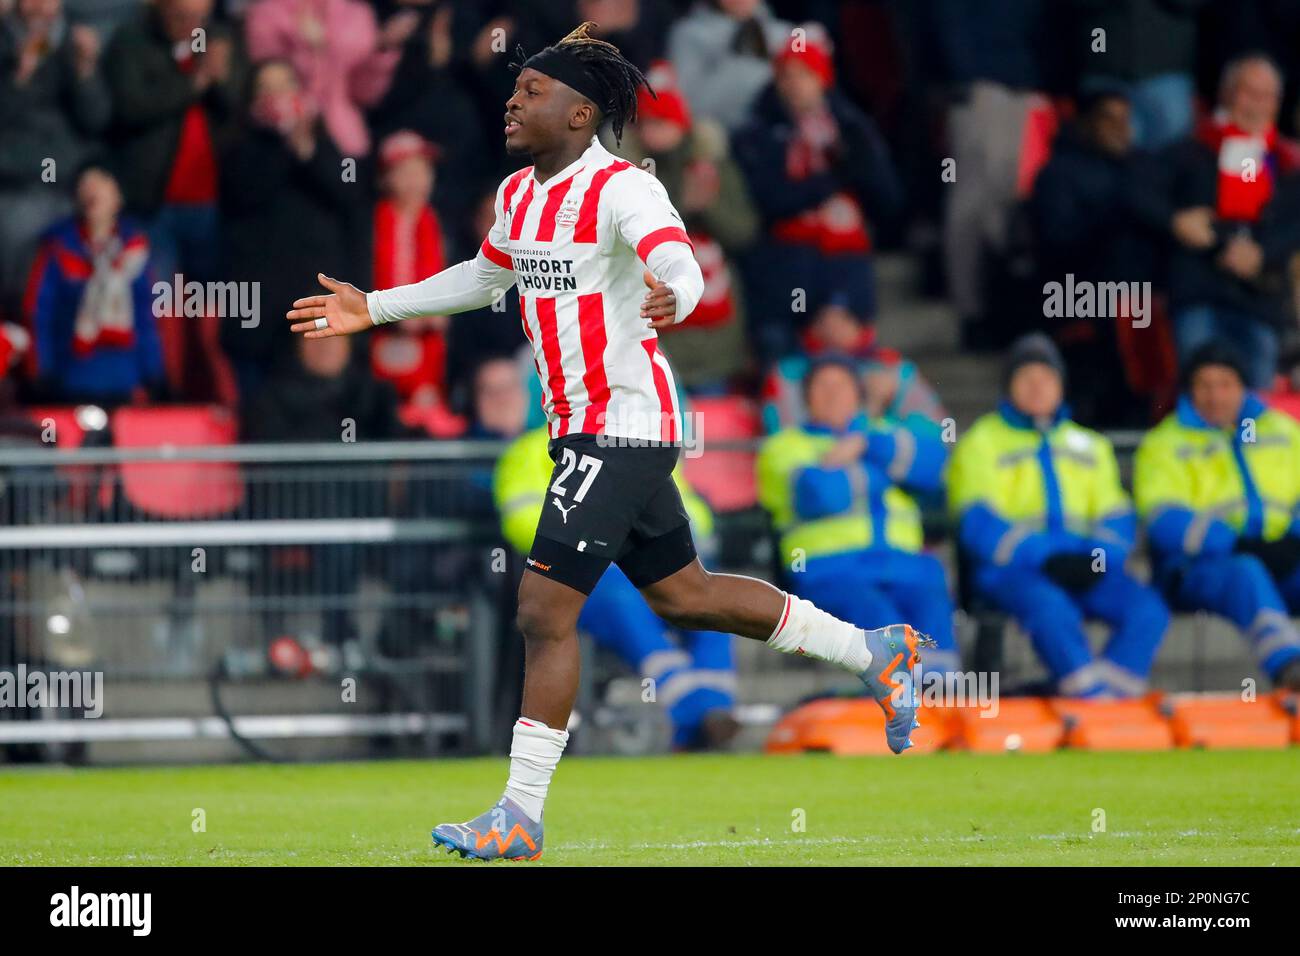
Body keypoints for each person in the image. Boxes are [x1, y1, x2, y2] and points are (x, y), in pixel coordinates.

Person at [285, 22, 930, 861]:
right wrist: (374, 307)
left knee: (543, 609)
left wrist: (678, 296)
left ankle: (520, 813)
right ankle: (869, 650)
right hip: (585, 430)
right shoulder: (518, 195)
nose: (512, 101)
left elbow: (681, 260)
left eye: (531, 92)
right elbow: (484, 278)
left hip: (621, 424)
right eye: (513, 91)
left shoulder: (625, 190)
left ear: (582, 114)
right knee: (685, 596)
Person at [947, 334, 1170, 696]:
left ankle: (1107, 700)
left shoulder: (1091, 445)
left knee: (1148, 609)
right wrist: (1047, 558)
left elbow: (1117, 515)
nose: (1037, 388)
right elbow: (979, 524)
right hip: (1014, 571)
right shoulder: (980, 443)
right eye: (1026, 379)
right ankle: (1089, 700)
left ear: (1061, 386)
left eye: (1046, 378)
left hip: (1086, 568)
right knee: (1051, 609)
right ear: (1008, 387)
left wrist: (1095, 560)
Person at [496, 423, 737, 751]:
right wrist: (598, 539)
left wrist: (673, 547)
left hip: (645, 566)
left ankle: (713, 709)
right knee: (624, 605)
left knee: (711, 602)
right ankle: (695, 712)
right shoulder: (529, 450)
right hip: (579, 576)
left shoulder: (640, 444)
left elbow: (691, 513)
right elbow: (519, 520)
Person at [757, 357, 959, 678]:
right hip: (829, 571)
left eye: (842, 385)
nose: (833, 393)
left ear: (858, 394)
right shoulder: (783, 445)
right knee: (881, 619)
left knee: (933, 615)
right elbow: (820, 496)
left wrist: (862, 444)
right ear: (806, 398)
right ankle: (907, 704)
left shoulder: (879, 433)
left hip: (906, 566)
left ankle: (943, 700)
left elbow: (934, 465)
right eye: (822, 386)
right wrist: (885, 466)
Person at [1133, 342, 1300, 689]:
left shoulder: (1282, 431)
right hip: (1199, 568)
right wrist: (1234, 543)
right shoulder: (1165, 443)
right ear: (1189, 391)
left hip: (1283, 556)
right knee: (1246, 572)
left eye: (1225, 384)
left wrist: (1292, 540)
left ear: (1243, 387)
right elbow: (1164, 520)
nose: (1215, 395)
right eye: (1204, 385)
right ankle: (1291, 669)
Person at [1133, 54, 1300, 389]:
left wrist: (1262, 254)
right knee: (1202, 390)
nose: (1257, 104)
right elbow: (1135, 192)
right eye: (1248, 92)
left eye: (1267, 96)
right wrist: (1175, 220)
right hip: (1199, 292)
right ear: (1227, 94)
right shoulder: (1191, 150)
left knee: (1253, 408)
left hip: (1258, 300)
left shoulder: (1285, 164)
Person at [22, 164, 165, 406]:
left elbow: (146, 316)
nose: (93, 192)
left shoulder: (135, 252)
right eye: (86, 184)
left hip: (123, 377)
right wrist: (41, 369)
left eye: (101, 183)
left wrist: (154, 372)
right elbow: (39, 312)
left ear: (118, 196)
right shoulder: (58, 249)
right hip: (70, 375)